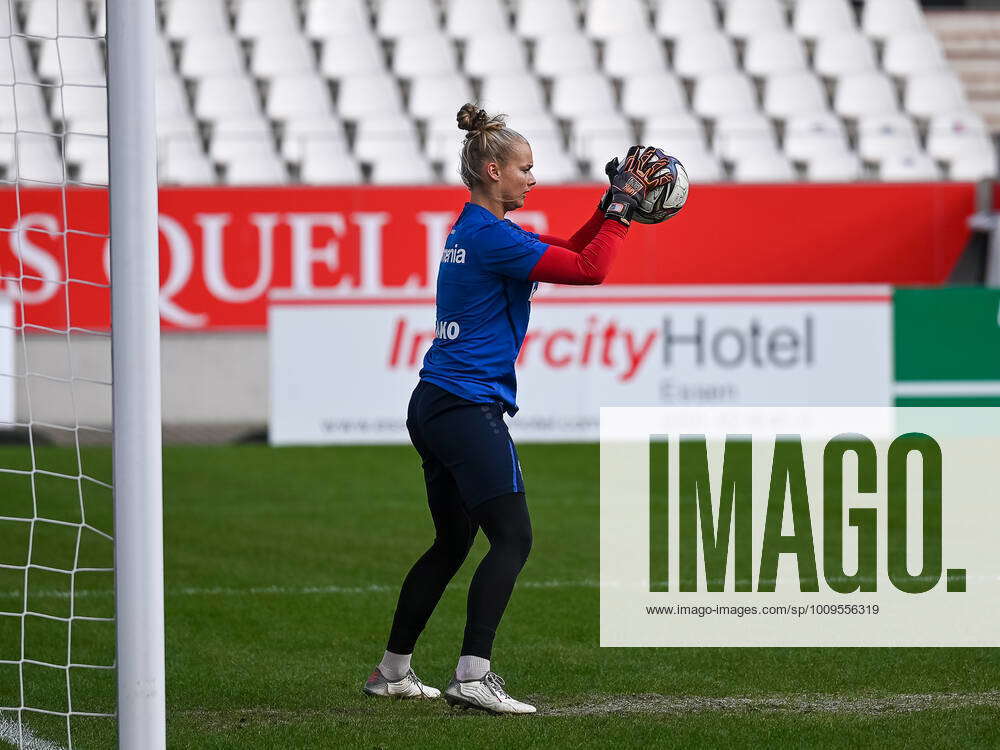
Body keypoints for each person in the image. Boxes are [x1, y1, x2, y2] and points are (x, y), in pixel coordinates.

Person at [363, 103, 674, 714]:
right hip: (465, 407)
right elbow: (590, 270)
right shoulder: (492, 237)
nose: (533, 178)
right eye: (524, 169)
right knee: (513, 537)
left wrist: (610, 207)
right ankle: (472, 676)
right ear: (492, 170)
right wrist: (621, 211)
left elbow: (572, 249)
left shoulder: (479, 231)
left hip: (435, 402)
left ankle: (392, 673)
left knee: (453, 543)